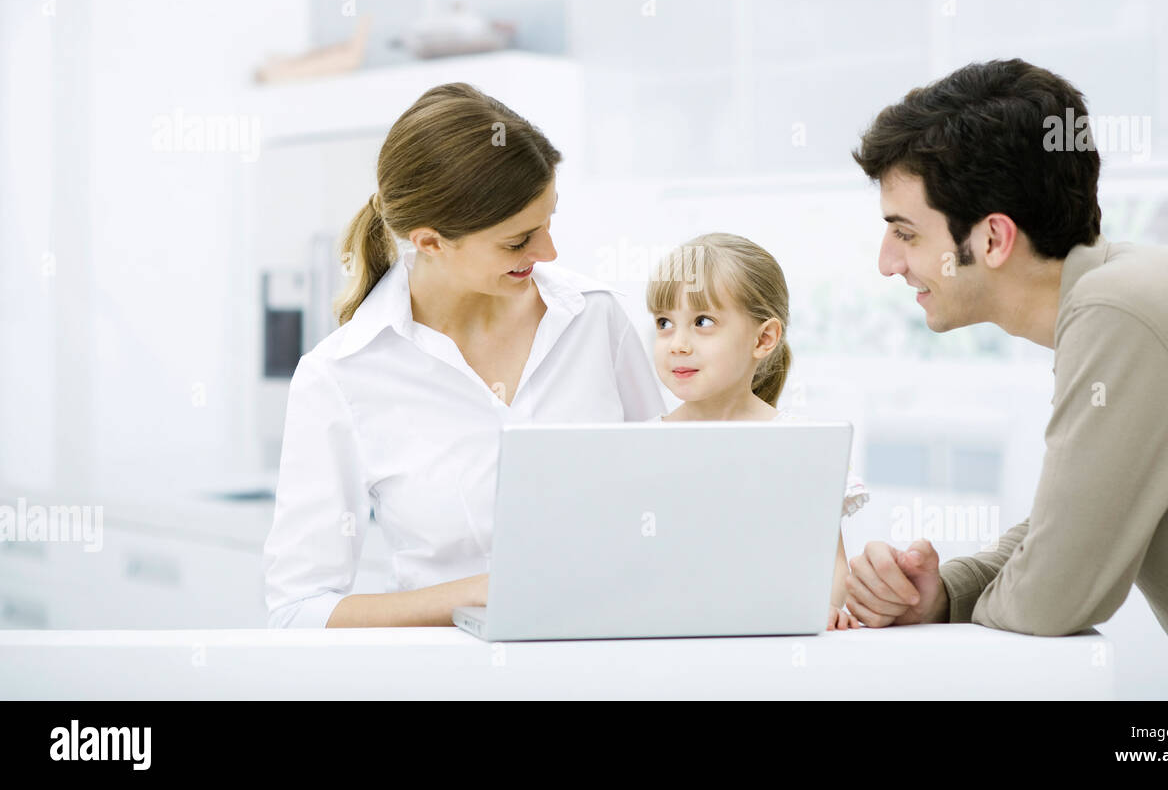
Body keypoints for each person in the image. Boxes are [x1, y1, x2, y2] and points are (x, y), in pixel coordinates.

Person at [843, 58, 1168, 700]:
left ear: (994, 238)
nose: (888, 263)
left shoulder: (1120, 311)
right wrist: (946, 592)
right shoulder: (1118, 295)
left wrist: (965, 596)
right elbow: (1075, 518)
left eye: (906, 233)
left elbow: (1056, 594)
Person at [263, 82, 665, 629]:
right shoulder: (341, 374)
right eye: (518, 241)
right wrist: (478, 593)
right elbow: (298, 611)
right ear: (429, 242)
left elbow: (667, 502)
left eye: (548, 222)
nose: (548, 252)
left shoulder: (597, 320)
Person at [644, 232, 869, 631]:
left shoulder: (803, 448)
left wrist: (826, 608)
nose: (677, 344)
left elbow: (831, 568)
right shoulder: (637, 446)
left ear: (763, 338)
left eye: (702, 322)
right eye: (664, 322)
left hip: (774, 644)